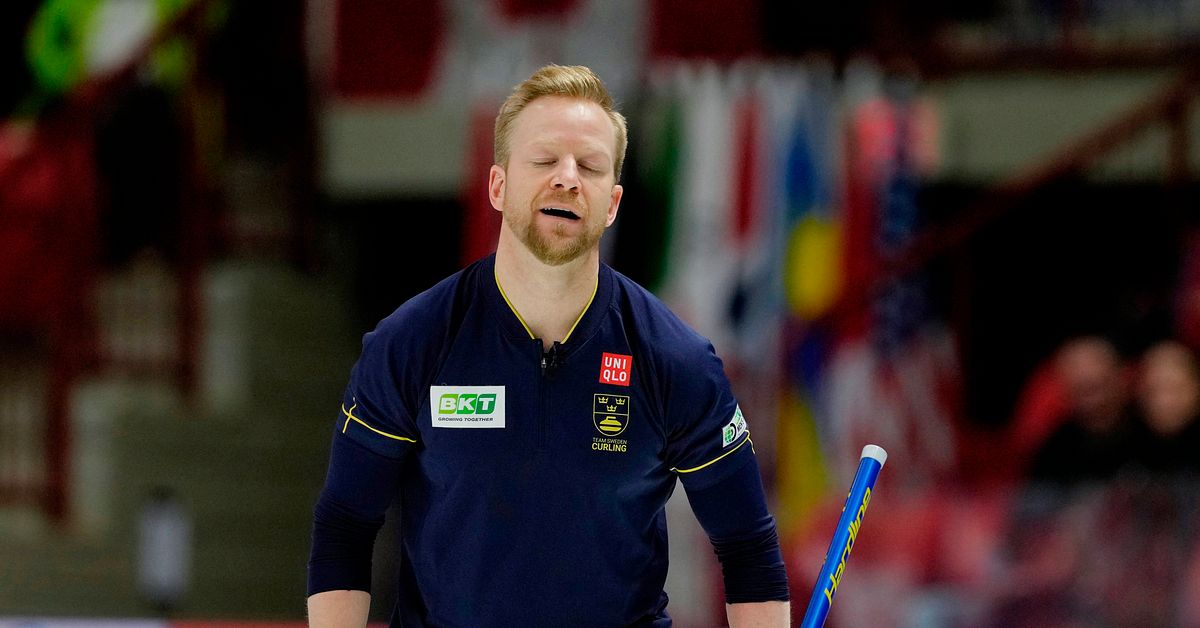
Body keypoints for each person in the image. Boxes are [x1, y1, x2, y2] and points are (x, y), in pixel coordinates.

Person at [306, 65, 790, 627]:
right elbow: (346, 524)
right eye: (544, 160)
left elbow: (747, 546)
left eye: (590, 166)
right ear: (497, 185)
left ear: (612, 203)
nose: (567, 178)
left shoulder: (675, 359)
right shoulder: (411, 343)